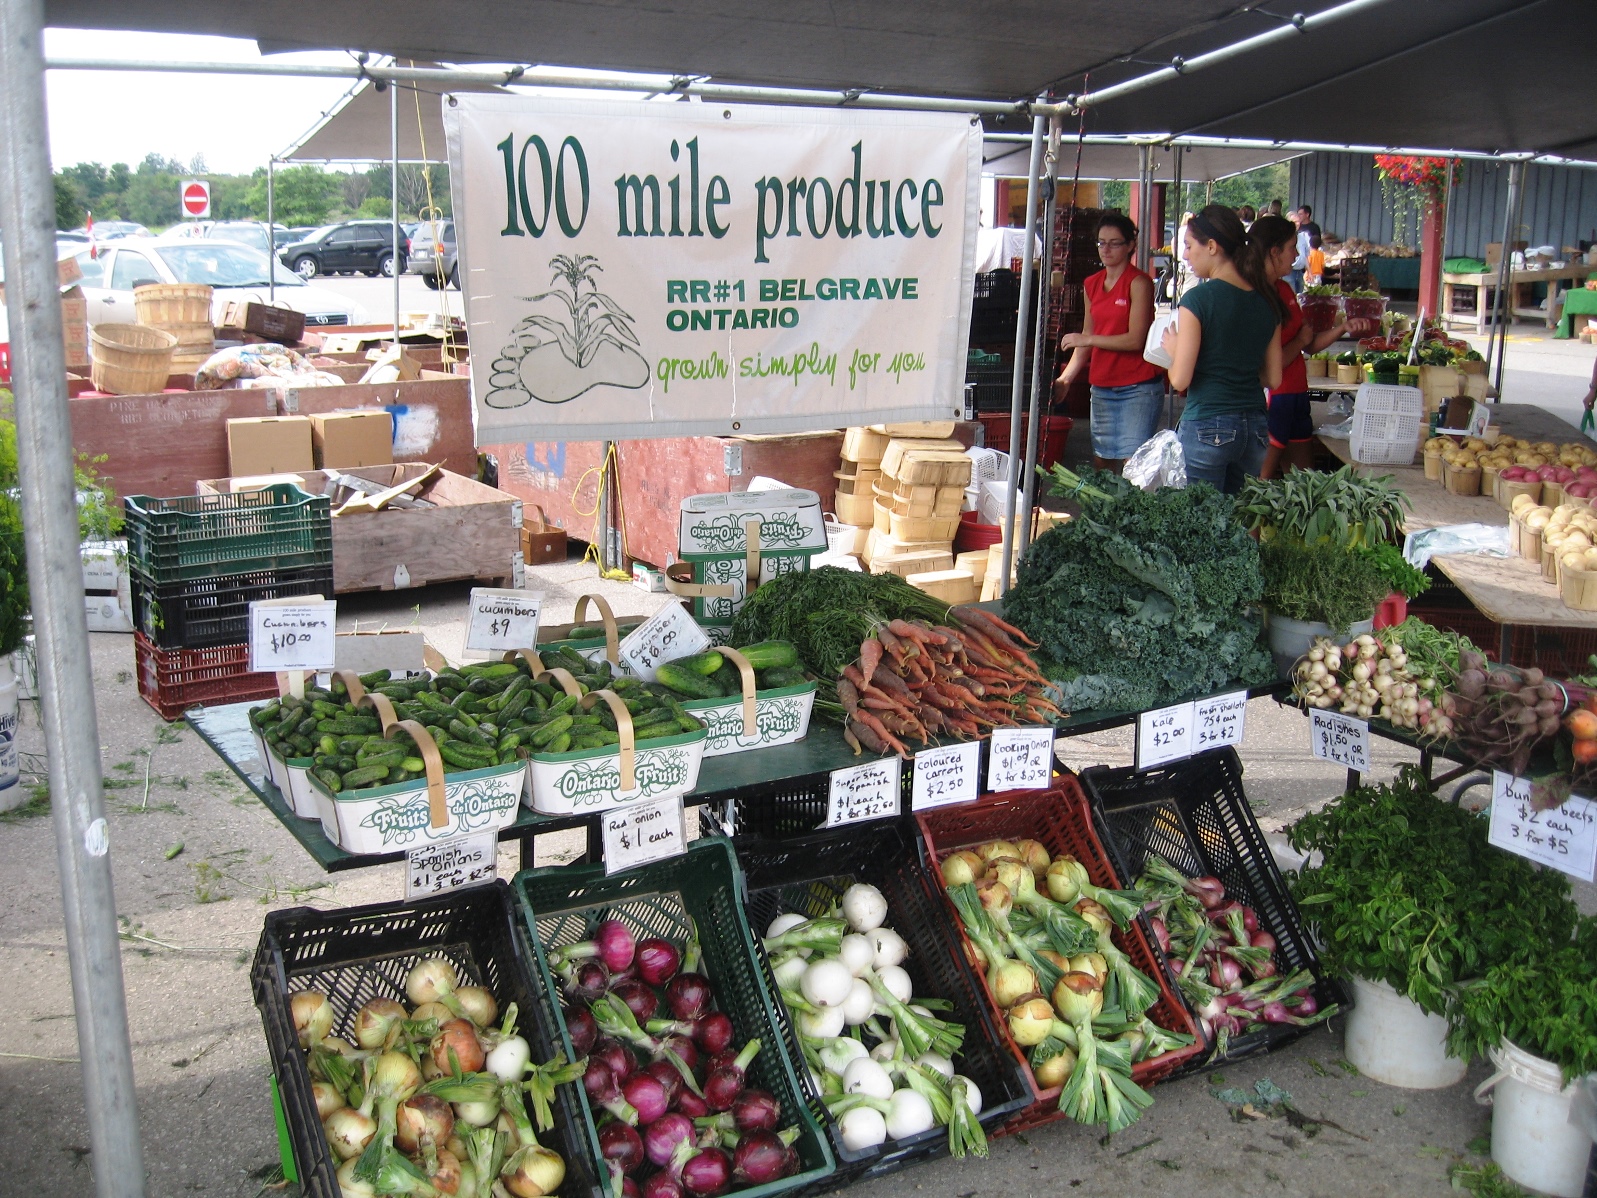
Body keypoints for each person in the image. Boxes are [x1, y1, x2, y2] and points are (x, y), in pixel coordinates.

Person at [1160, 204, 1285, 493]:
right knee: (1237, 527)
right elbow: (1273, 378)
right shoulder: (1268, 300)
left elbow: (1180, 379)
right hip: (1255, 428)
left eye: (1190, 246)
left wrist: (1174, 350)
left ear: (1213, 246)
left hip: (1207, 423)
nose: (1186, 255)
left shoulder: (1198, 300)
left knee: (1201, 526)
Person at [1054, 213, 1165, 473]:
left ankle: (1132, 513)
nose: (1106, 249)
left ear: (1130, 246)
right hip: (1102, 385)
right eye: (1101, 242)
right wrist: (1066, 379)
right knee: (1102, 462)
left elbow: (1136, 339)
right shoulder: (1091, 284)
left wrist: (1089, 339)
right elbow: (1086, 338)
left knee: (1134, 465)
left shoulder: (1139, 282)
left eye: (1114, 243)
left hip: (1138, 386)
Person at [1251, 215, 1348, 478]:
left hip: (1296, 394)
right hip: (1275, 397)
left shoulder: (1284, 289)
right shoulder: (1256, 296)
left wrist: (1343, 328)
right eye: (1292, 247)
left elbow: (1311, 343)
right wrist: (1300, 342)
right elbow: (1267, 365)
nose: (1296, 254)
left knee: (1306, 483)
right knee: (1261, 479)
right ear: (1274, 251)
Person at [1289, 205, 1323, 293]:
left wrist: (1310, 272)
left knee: (1300, 296)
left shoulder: (1302, 237)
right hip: (1289, 271)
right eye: (1294, 221)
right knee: (1291, 296)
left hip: (1299, 272)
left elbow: (1305, 256)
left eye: (1298, 221)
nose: (1297, 223)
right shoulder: (1285, 238)